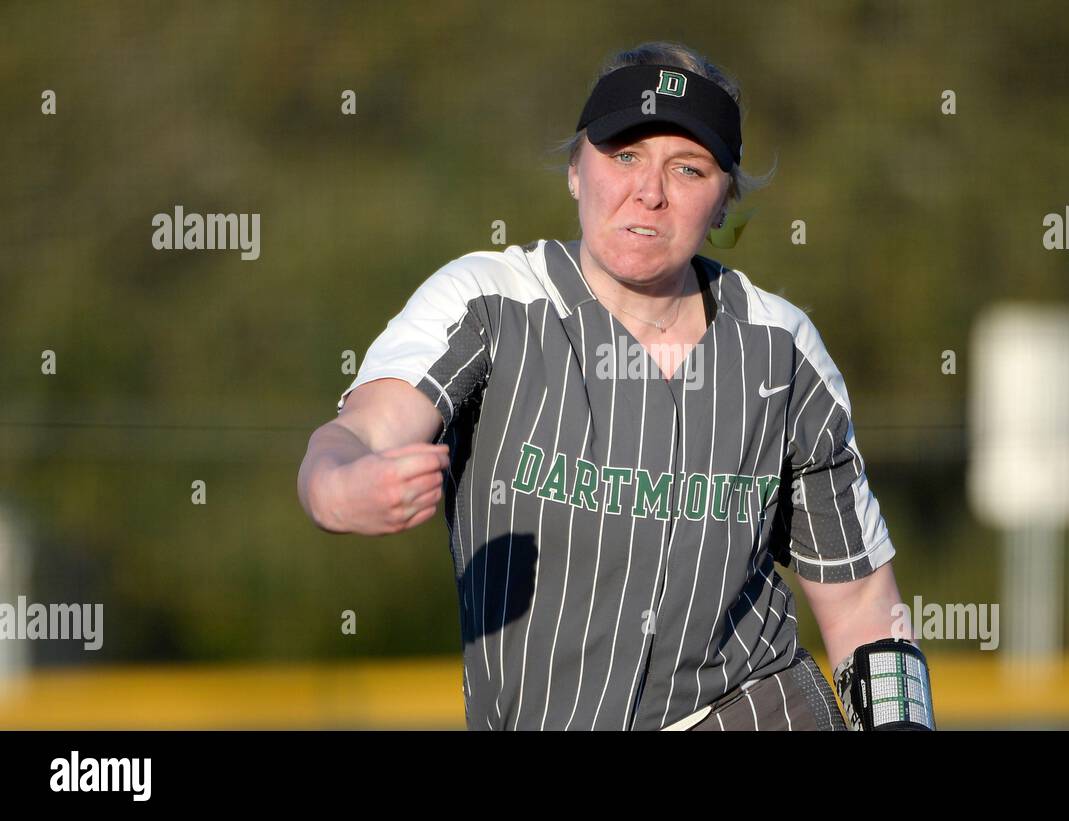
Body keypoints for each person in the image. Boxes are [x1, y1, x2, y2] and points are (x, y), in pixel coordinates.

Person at [297, 41, 934, 731]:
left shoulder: (781, 350)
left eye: (688, 168)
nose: (649, 191)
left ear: (724, 203)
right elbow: (359, 433)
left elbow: (865, 601)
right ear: (576, 168)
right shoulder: (489, 302)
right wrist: (339, 488)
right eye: (624, 154)